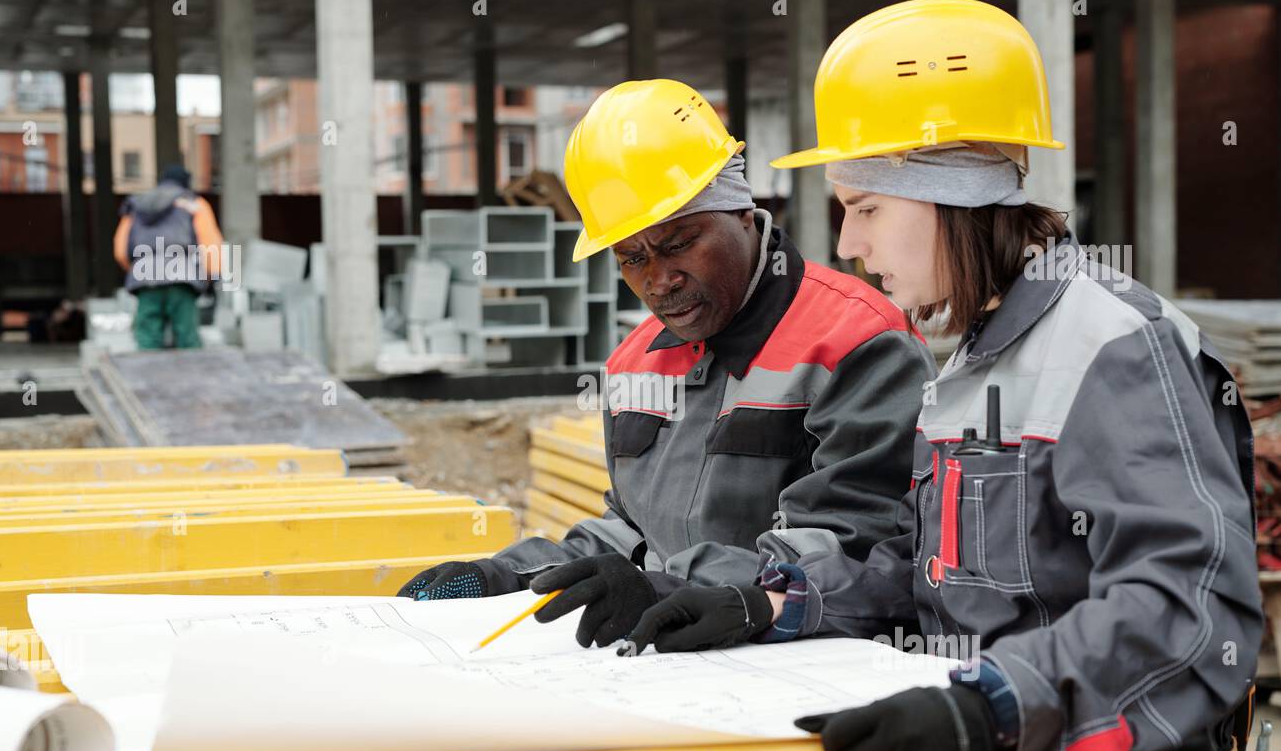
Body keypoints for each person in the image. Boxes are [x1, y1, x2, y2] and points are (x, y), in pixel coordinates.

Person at [616, 0, 1263, 751]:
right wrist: (774, 601)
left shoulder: (1108, 343)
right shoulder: (970, 358)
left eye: (865, 207)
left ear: (952, 193)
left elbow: (1191, 608)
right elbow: (931, 573)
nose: (848, 245)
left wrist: (988, 707)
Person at [397, 78, 934, 649]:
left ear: (744, 215)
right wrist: (511, 575)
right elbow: (629, 532)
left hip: (808, 667)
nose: (659, 280)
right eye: (632, 258)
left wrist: (664, 587)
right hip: (682, 657)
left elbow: (851, 550)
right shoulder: (635, 364)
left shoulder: (859, 342)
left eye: (679, 243)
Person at [113, 163, 223, 349]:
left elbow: (121, 249)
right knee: (187, 340)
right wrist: (212, 276)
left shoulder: (137, 205)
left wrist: (136, 269)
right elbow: (211, 245)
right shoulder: (195, 204)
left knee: (147, 339)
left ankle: (145, 378)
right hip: (182, 277)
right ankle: (191, 377)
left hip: (145, 276)